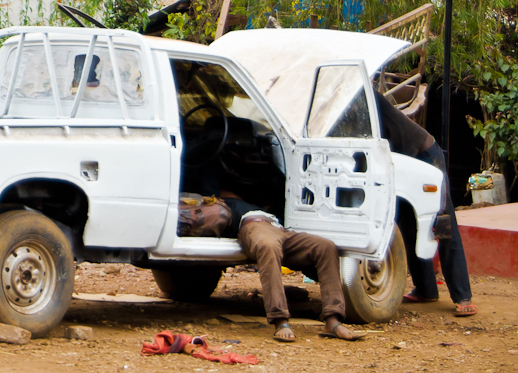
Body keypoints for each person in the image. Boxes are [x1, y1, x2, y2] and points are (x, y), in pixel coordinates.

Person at [177, 195, 362, 343]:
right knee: (268, 246)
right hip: (254, 227)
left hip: (281, 229)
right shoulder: (224, 204)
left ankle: (332, 320)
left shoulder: (265, 200)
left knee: (325, 246)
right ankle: (280, 320)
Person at [374, 90, 476, 316]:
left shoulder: (364, 96)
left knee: (443, 222)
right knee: (407, 224)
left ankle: (463, 296)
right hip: (402, 161)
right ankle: (426, 288)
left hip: (425, 155)